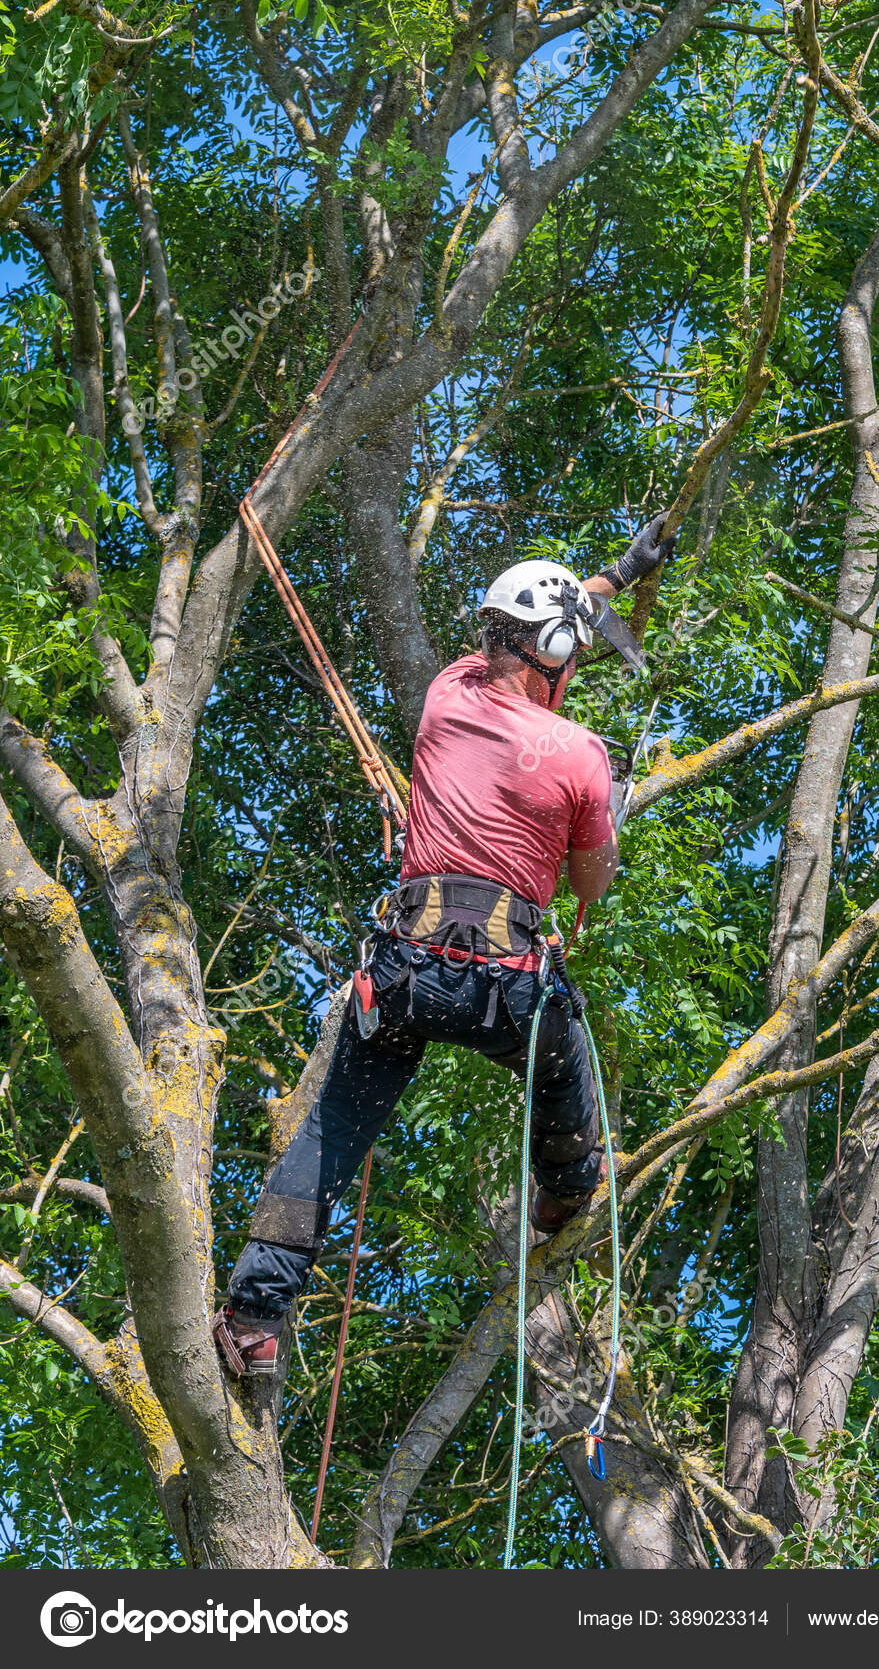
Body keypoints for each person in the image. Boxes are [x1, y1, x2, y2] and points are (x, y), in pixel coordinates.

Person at [212, 513, 674, 1377]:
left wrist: (610, 576)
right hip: (505, 985)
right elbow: (589, 884)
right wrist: (600, 815)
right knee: (564, 1066)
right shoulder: (579, 754)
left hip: (405, 974)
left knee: (332, 1134)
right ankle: (565, 1191)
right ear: (560, 648)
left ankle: (251, 1319)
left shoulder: (447, 696)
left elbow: (545, 624)